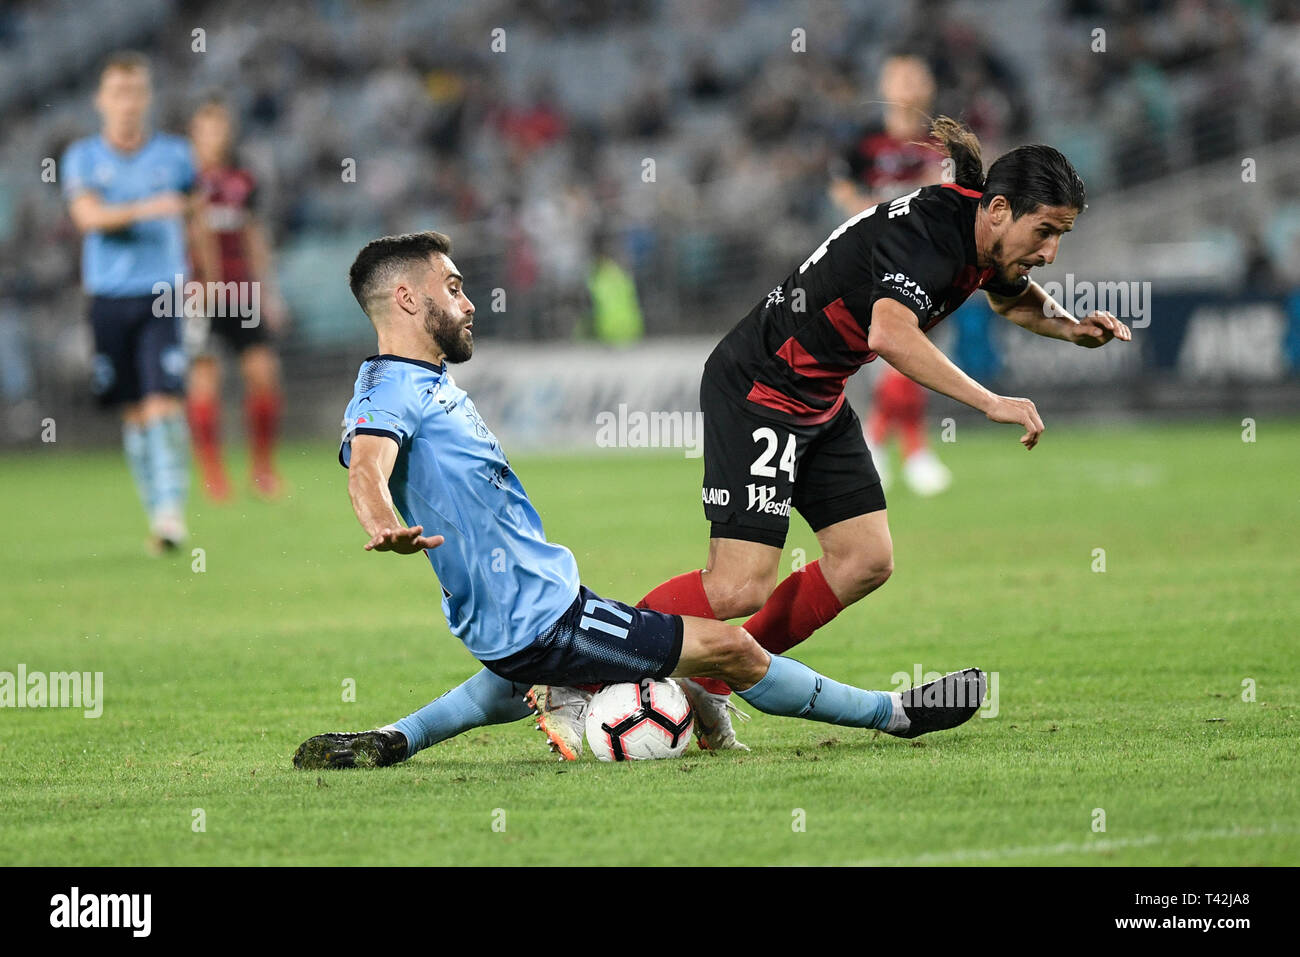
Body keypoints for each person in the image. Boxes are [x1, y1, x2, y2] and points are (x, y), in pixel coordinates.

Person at [292, 231, 987, 770]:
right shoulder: (389, 391)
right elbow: (367, 467)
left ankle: (393, 738)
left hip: (517, 616)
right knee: (730, 649)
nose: (469, 301)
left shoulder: (421, 380)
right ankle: (893, 713)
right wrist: (383, 521)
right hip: (541, 617)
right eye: (453, 287)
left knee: (508, 683)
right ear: (408, 299)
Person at [566, 116, 1132, 753]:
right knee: (735, 588)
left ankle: (716, 680)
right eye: (1046, 232)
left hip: (819, 397)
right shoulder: (928, 236)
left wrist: (1070, 327)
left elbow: (1010, 296)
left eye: (1061, 236)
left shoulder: (982, 236)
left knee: (866, 560)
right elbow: (889, 335)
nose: (1051, 252)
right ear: (1000, 209)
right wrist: (988, 401)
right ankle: (580, 673)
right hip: (761, 386)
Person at [62, 52, 200, 553]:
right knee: (135, 414)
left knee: (163, 403)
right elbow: (88, 219)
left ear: (147, 98)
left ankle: (170, 515)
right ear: (102, 100)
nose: (127, 102)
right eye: (117, 92)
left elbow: (196, 214)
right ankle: (156, 508)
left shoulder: (177, 155)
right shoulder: (82, 157)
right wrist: (150, 208)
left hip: (162, 292)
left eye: (136, 91)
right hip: (107, 297)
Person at [830, 54, 954, 497]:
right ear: (884, 83)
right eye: (900, 74)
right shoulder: (863, 141)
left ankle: (879, 445)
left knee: (907, 363)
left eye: (916, 73)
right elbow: (842, 186)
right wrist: (872, 218)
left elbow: (950, 193)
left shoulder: (941, 141)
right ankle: (910, 452)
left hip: (930, 265)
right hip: (875, 265)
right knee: (899, 359)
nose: (909, 83)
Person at [184, 98, 289, 501]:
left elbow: (254, 236)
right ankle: (213, 475)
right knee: (206, 380)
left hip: (242, 292)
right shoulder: (183, 180)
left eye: (221, 127)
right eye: (207, 128)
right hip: (196, 294)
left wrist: (269, 292)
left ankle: (262, 470)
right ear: (195, 132)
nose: (216, 136)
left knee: (263, 374)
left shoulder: (243, 179)